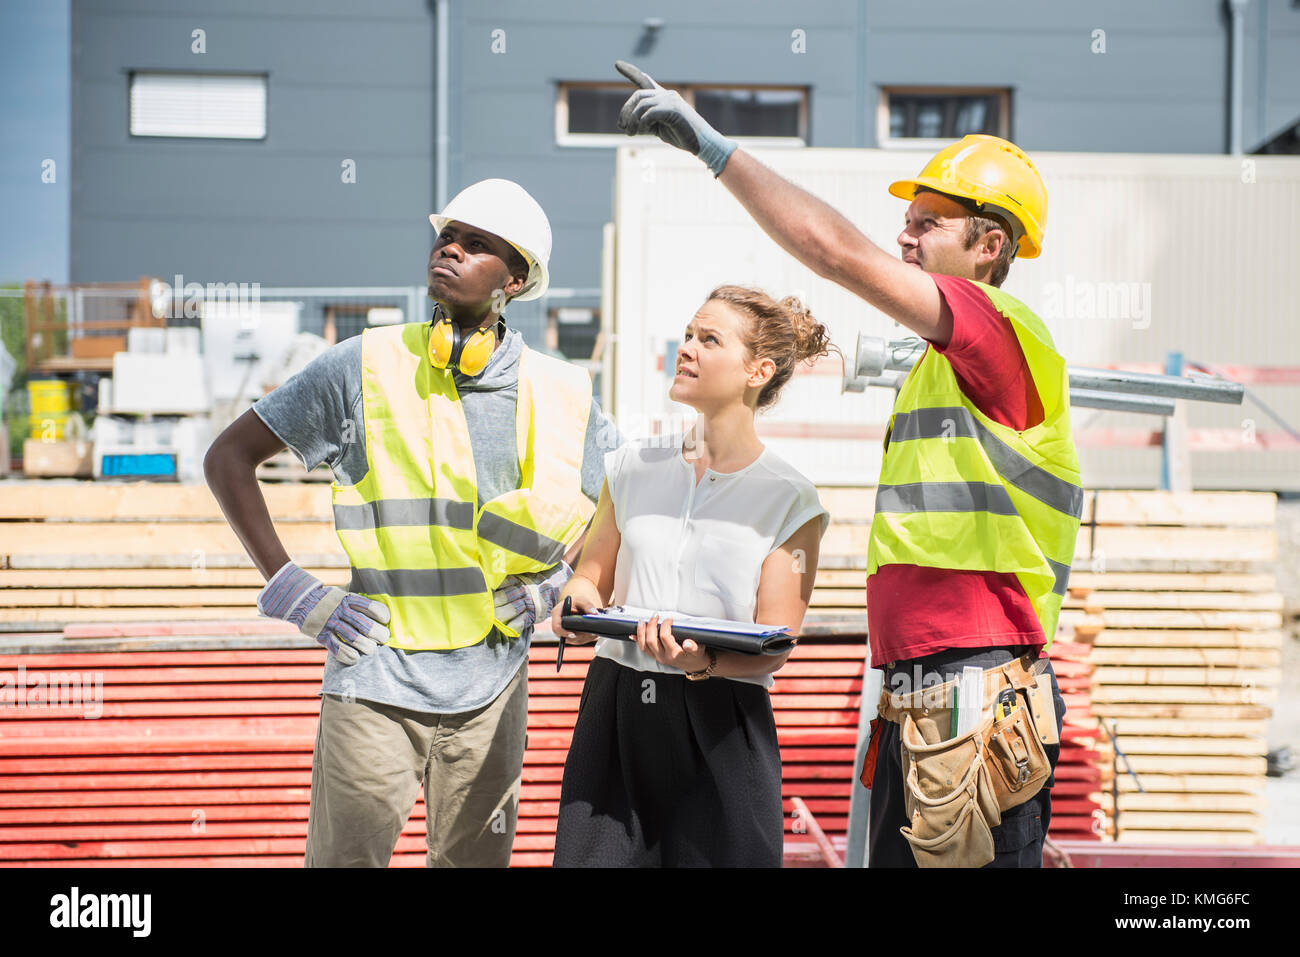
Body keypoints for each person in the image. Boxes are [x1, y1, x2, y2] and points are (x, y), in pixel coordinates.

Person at [615, 61, 1080, 868]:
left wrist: (712, 147)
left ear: (989, 244)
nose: (904, 235)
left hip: (971, 700)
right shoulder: (942, 367)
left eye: (928, 221)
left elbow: (835, 252)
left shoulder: (999, 334)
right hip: (923, 705)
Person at [204, 178, 624, 867]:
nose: (450, 250)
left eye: (476, 244)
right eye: (446, 237)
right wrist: (292, 589)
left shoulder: (563, 390)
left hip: (492, 686)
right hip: (375, 677)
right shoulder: (362, 366)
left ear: (515, 280)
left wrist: (563, 582)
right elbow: (229, 456)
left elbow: (623, 493)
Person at [550, 285, 834, 867]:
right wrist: (575, 610)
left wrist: (699, 663)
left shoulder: (791, 499)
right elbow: (591, 577)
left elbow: (775, 641)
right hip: (618, 710)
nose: (687, 349)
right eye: (687, 335)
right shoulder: (629, 466)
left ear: (759, 370)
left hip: (723, 721)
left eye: (709, 340)